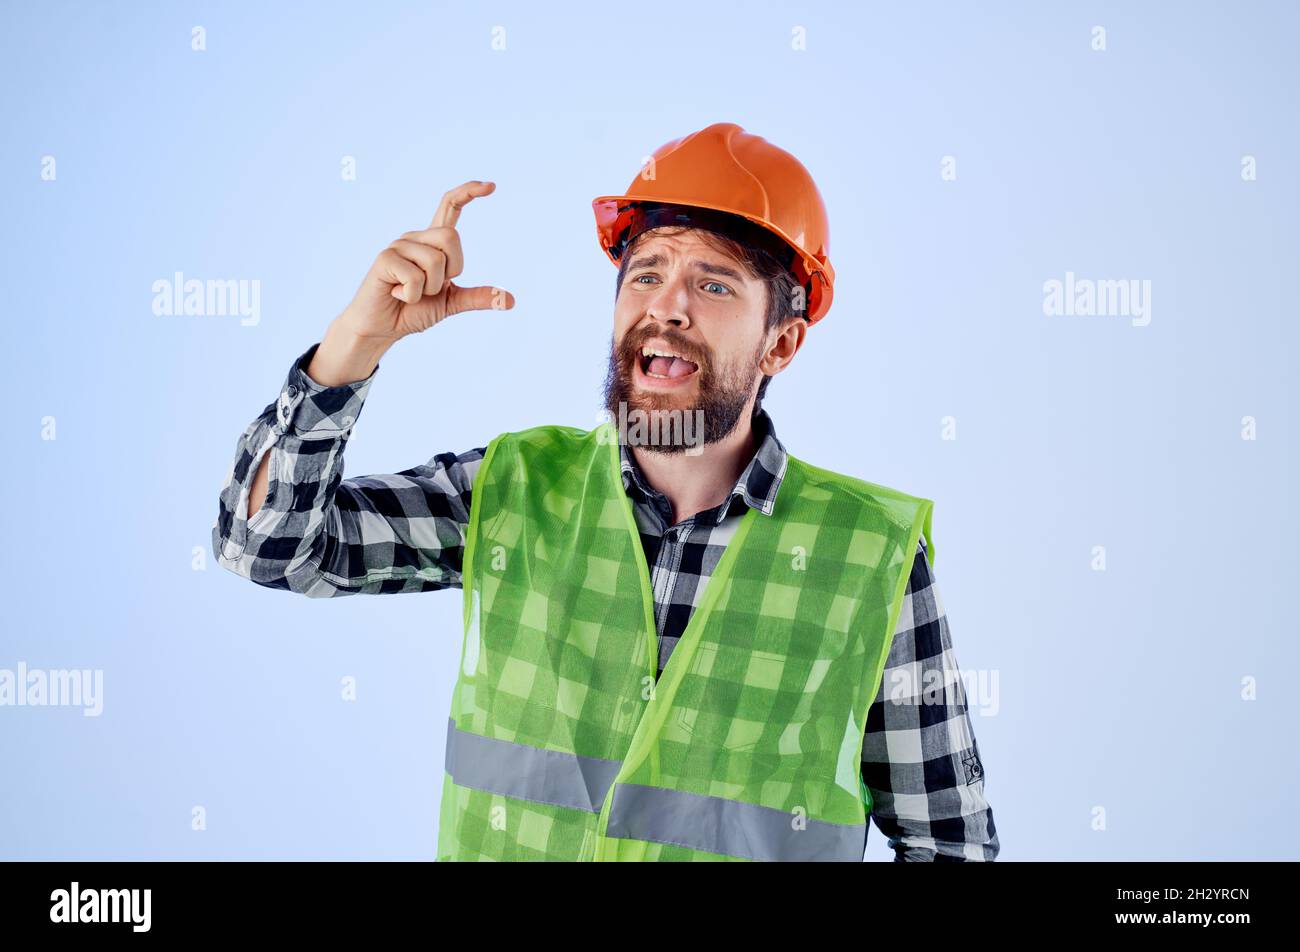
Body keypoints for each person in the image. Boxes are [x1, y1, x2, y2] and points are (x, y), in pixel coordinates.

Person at [212, 122, 999, 862]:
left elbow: (950, 844)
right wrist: (353, 346)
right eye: (646, 273)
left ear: (781, 343)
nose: (667, 305)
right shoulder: (513, 490)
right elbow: (268, 547)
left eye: (714, 285)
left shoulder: (869, 557)